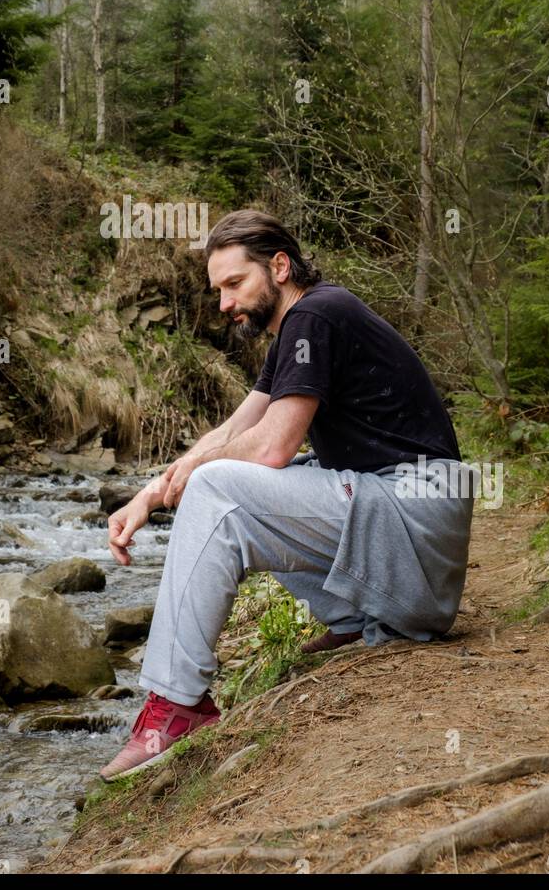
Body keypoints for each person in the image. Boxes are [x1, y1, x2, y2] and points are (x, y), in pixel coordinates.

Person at [98, 209, 476, 782]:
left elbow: (269, 447)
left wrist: (195, 474)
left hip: (417, 527)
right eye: (217, 290)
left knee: (225, 487)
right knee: (243, 477)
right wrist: (149, 494)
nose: (224, 303)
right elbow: (230, 434)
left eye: (234, 284)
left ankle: (176, 707)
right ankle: (351, 617)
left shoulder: (317, 314)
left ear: (279, 266)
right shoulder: (296, 331)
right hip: (411, 542)